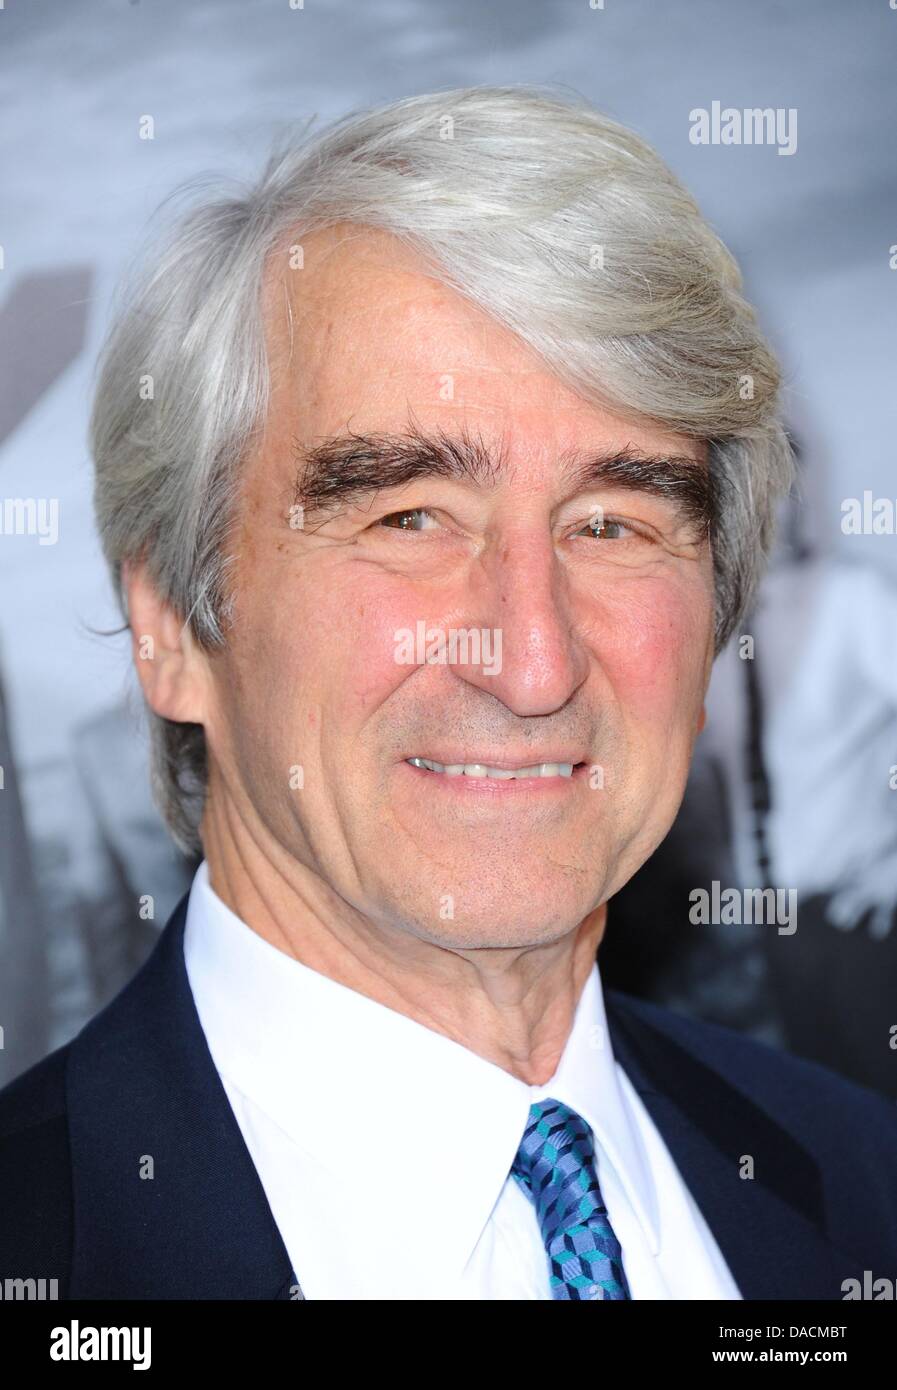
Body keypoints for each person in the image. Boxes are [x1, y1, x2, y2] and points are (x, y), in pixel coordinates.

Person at [1, 85, 895, 1302]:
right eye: (408, 516)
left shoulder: (865, 1187)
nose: (533, 662)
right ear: (172, 624)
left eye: (614, 521)